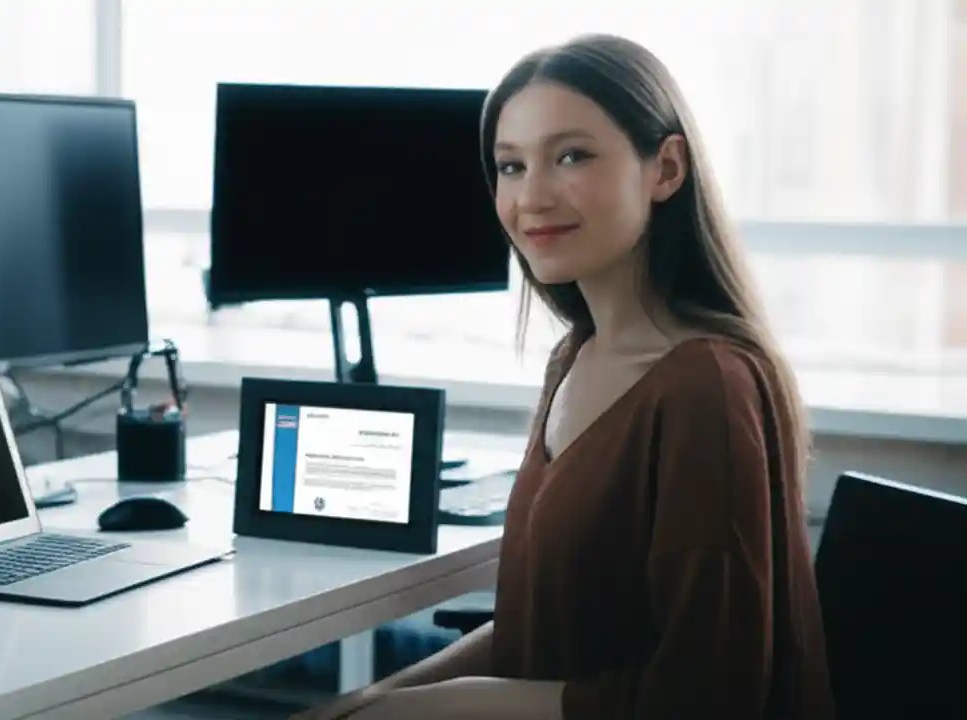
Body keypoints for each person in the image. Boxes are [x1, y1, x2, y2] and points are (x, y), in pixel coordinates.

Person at [292, 33, 835, 720]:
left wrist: (432, 707)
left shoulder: (705, 386)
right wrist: (381, 695)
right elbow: (536, 634)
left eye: (571, 156)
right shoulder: (576, 356)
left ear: (666, 169)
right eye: (511, 167)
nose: (532, 197)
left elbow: (706, 697)